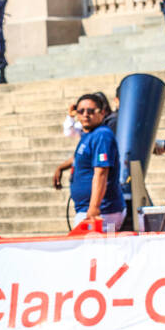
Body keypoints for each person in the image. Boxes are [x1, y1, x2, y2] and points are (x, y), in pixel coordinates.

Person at [52, 93, 126, 231]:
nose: (85, 115)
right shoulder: (89, 134)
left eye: (91, 111)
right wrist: (61, 168)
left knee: (97, 250)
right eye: (81, 111)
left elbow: (101, 173)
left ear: (102, 112)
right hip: (91, 210)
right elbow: (81, 158)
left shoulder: (102, 135)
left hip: (103, 212)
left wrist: (94, 208)